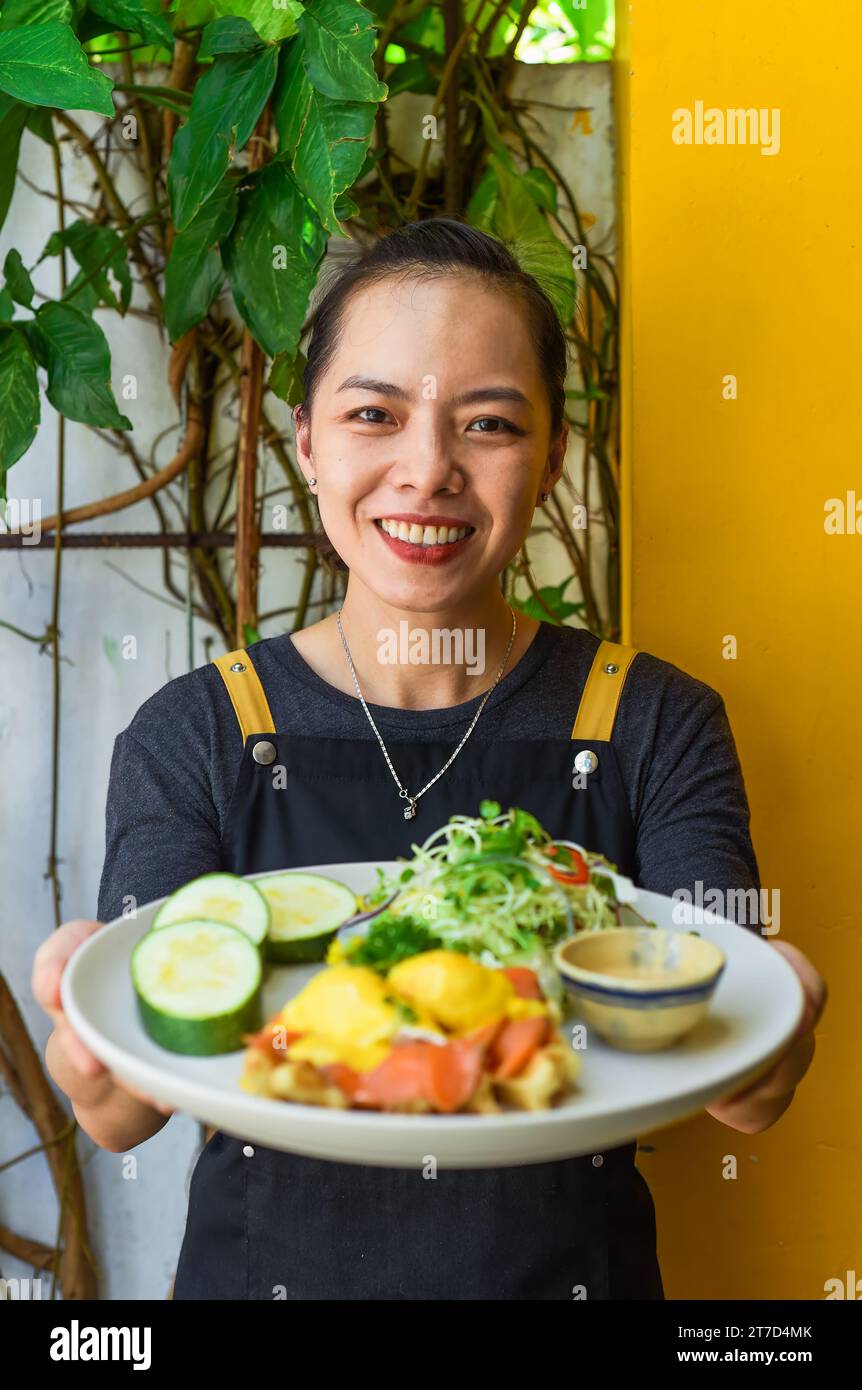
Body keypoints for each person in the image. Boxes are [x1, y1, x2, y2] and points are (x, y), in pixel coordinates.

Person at [32, 218, 826, 1300]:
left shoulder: (651, 720)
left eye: (488, 424)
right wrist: (84, 1042)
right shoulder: (198, 732)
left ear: (549, 459)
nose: (426, 470)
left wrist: (777, 1019)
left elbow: (747, 1092)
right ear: (307, 442)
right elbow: (128, 1105)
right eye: (374, 414)